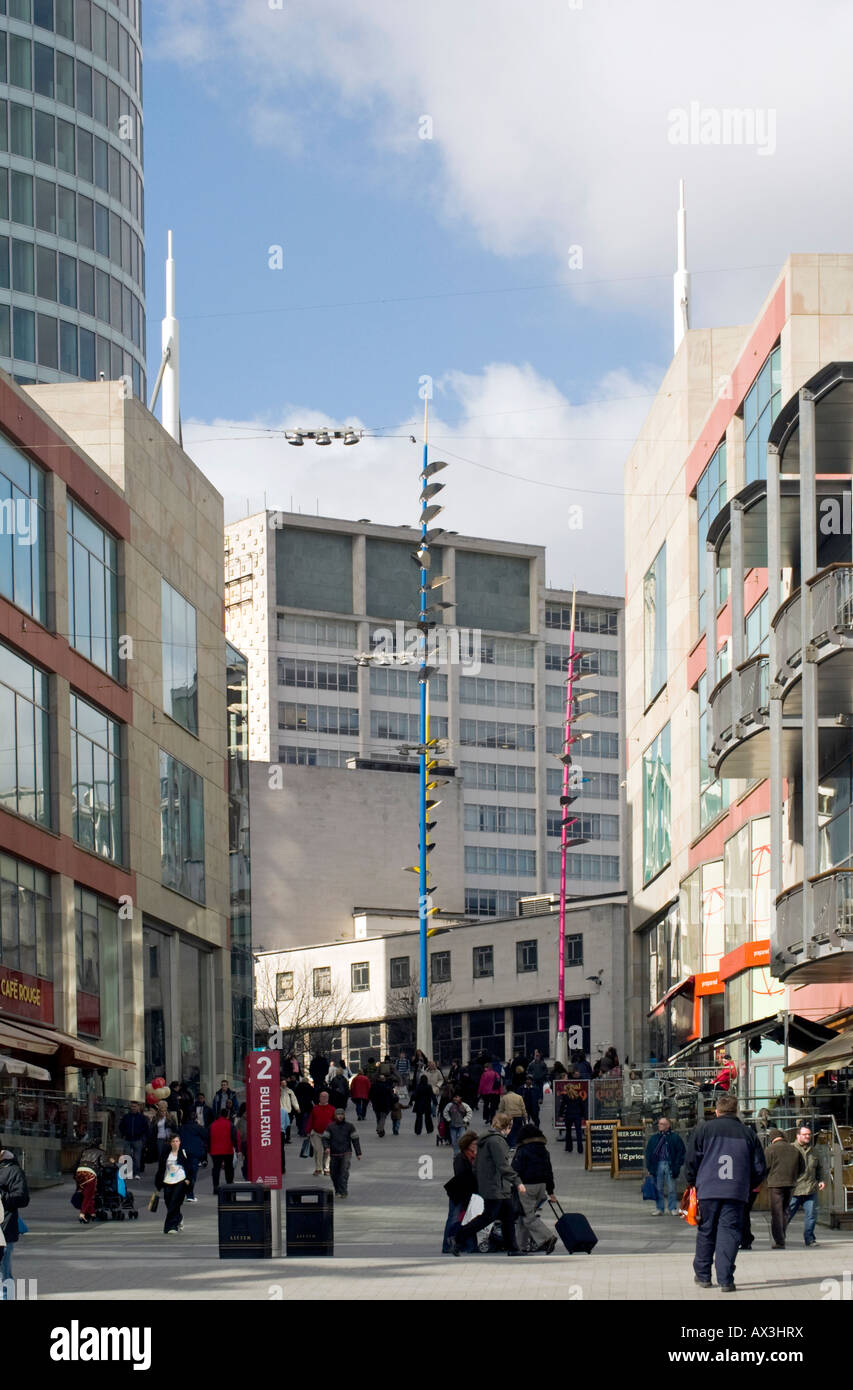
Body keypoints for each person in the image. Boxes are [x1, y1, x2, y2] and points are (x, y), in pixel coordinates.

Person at [684, 1093, 766, 1293]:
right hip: (735, 1191)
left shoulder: (704, 1129)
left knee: (706, 1231)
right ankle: (726, 1279)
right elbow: (760, 1168)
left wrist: (692, 1181)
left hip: (708, 1189)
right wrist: (747, 1185)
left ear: (717, 1111)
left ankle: (703, 1276)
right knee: (729, 1233)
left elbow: (691, 1159)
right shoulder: (748, 1133)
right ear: (736, 1110)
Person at [452, 1113, 525, 1256]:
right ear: (507, 1127)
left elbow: (476, 1166)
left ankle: (513, 1248)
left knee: (507, 1217)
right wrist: (517, 1182)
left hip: (493, 1186)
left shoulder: (484, 1140)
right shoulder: (497, 1142)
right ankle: (458, 1237)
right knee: (488, 1217)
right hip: (496, 1187)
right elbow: (503, 1166)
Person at [511, 1124, 557, 1254]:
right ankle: (521, 1246)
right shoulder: (543, 1150)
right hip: (541, 1187)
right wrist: (551, 1191)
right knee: (522, 1217)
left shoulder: (523, 1150)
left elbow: (515, 1170)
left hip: (526, 1187)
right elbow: (549, 1171)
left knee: (528, 1217)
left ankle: (548, 1237)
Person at [786, 1123, 828, 1248]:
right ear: (798, 1135)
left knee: (811, 1216)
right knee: (786, 1215)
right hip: (795, 1189)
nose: (807, 1136)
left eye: (809, 1134)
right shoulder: (791, 1149)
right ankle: (779, 1237)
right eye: (805, 1134)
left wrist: (821, 1180)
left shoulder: (814, 1151)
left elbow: (820, 1168)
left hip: (810, 1188)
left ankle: (810, 1239)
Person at [765, 1128, 805, 1249]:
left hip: (775, 1184)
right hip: (791, 1184)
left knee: (777, 1213)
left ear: (772, 1139)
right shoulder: (794, 1149)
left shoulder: (770, 1149)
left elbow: (764, 1167)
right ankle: (782, 1234)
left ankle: (779, 1240)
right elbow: (802, 1168)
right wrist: (793, 1177)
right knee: (785, 1211)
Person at [442, 1130, 479, 1254]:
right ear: (467, 1144)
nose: (476, 1145)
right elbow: (462, 1176)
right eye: (474, 1143)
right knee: (453, 1218)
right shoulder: (460, 1158)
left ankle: (463, 1244)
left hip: (469, 1192)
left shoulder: (474, 1157)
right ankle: (447, 1246)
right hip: (458, 1193)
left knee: (465, 1218)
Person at [0, 1148, 29, 1296]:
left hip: (4, 1230)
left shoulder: (13, 1171)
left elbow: (22, 1198)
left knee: (3, 1276)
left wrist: (1, 1196)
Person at [644, 1116, 686, 1216]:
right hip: (657, 1165)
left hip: (670, 1164)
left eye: (662, 1124)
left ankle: (672, 1208)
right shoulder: (654, 1138)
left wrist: (677, 1165)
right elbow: (649, 1153)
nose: (660, 1126)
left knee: (672, 1188)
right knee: (659, 1188)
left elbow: (681, 1152)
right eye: (659, 1124)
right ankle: (660, 1208)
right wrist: (649, 1167)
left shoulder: (674, 1137)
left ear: (668, 1125)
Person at [155, 1134, 190, 1234]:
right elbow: (161, 1168)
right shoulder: (166, 1154)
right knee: (168, 1201)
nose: (175, 1143)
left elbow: (189, 1166)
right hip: (168, 1180)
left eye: (177, 1141)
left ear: (180, 1142)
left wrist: (188, 1179)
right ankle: (179, 1217)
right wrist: (158, 1184)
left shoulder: (183, 1152)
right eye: (173, 1141)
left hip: (180, 1180)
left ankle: (171, 1227)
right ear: (170, 1143)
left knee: (175, 1201)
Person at [322, 1108, 362, 1197]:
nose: (340, 1116)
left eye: (341, 1114)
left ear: (344, 1115)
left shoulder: (350, 1126)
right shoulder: (330, 1126)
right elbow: (325, 1138)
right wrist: (327, 1147)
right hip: (334, 1153)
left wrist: (358, 1153)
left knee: (344, 1172)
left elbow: (355, 1139)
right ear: (335, 1116)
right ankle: (337, 1190)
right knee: (334, 1173)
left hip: (346, 1153)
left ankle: (343, 1191)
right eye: (338, 1115)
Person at [208, 1106, 240, 1193]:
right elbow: (234, 1137)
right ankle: (229, 1186)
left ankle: (216, 1187)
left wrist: (209, 1149)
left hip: (215, 1151)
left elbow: (208, 1138)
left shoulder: (212, 1125)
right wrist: (237, 1149)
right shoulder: (230, 1124)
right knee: (229, 1168)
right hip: (227, 1150)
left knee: (216, 1169)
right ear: (228, 1115)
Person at [178, 1113, 208, 1201]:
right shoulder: (198, 1127)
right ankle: (190, 1195)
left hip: (183, 1152)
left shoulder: (182, 1127)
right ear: (195, 1118)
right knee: (192, 1174)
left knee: (184, 1173)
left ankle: (181, 1193)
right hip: (194, 1152)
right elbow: (206, 1135)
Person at [74, 1145, 106, 1224]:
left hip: (79, 1172)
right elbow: (103, 1164)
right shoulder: (101, 1152)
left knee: (86, 1194)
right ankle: (82, 1214)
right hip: (90, 1174)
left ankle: (92, 1213)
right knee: (88, 1196)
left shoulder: (85, 1151)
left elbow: (77, 1162)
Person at [306, 1091, 336, 1175]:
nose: (324, 1098)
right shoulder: (315, 1108)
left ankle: (327, 1169)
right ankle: (318, 1168)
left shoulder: (332, 1108)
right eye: (322, 1096)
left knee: (328, 1151)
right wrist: (308, 1131)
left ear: (328, 1098)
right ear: (319, 1098)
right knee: (318, 1151)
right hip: (316, 1133)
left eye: (325, 1097)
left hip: (328, 1134)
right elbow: (311, 1120)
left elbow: (335, 1121)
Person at [118, 1101, 148, 1180]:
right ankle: (128, 1172)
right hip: (128, 1138)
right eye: (132, 1106)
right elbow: (121, 1126)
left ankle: (136, 1173)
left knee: (137, 1158)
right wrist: (124, 1133)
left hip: (137, 1139)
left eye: (135, 1106)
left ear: (138, 1107)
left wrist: (142, 1137)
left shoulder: (142, 1118)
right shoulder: (126, 1117)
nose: (133, 1108)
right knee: (127, 1156)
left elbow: (145, 1128)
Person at [558, 1075, 587, 1155]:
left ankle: (569, 1147)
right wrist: (583, 1116)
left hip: (568, 1115)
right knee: (578, 1132)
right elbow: (582, 1107)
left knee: (568, 1132)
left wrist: (560, 1115)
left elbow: (562, 1106)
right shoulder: (578, 1097)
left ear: (567, 1089)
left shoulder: (565, 1097)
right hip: (577, 1115)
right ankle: (580, 1149)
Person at [369, 1073, 396, 1138]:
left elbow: (370, 1094)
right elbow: (391, 1096)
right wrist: (392, 1104)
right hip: (385, 1104)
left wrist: (371, 1101)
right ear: (384, 1079)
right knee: (383, 1117)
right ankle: (380, 1129)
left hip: (376, 1104)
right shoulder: (387, 1086)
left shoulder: (374, 1085)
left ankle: (380, 1130)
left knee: (378, 1117)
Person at [280, 1078, 300, 1154]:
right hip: (281, 1110)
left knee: (288, 1124)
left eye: (285, 1083)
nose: (284, 1084)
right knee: (282, 1125)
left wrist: (297, 1108)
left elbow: (294, 1100)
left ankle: (287, 1138)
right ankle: (283, 1137)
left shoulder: (289, 1091)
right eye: (282, 1083)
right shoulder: (278, 1090)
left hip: (288, 1110)